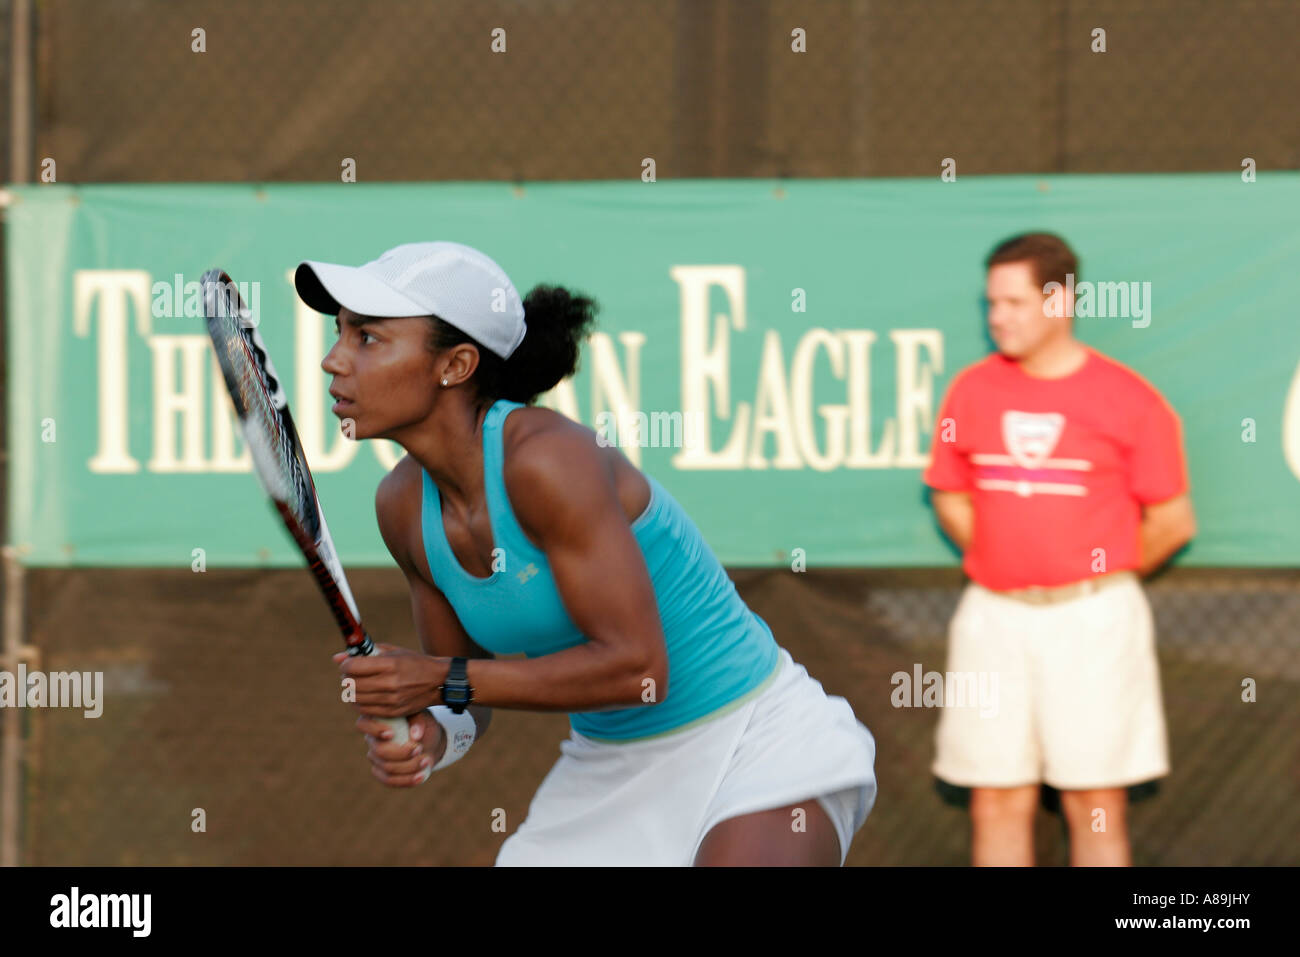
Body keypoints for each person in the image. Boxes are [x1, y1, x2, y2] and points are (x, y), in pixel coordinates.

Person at [295, 240, 877, 866]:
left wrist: (438, 679)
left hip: (756, 741)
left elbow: (639, 673)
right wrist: (435, 732)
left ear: (456, 364)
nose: (333, 360)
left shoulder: (549, 460)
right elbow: (465, 690)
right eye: (339, 333)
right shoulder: (402, 506)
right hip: (608, 770)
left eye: (368, 338)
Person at [923, 232, 1195, 866]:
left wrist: (1083, 573)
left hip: (1095, 621)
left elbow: (1173, 521)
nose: (998, 318)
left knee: (1094, 801)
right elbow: (949, 493)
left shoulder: (1131, 399)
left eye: (1014, 303)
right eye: (991, 303)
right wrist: (1007, 561)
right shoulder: (971, 390)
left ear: (1061, 299)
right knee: (995, 797)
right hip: (992, 617)